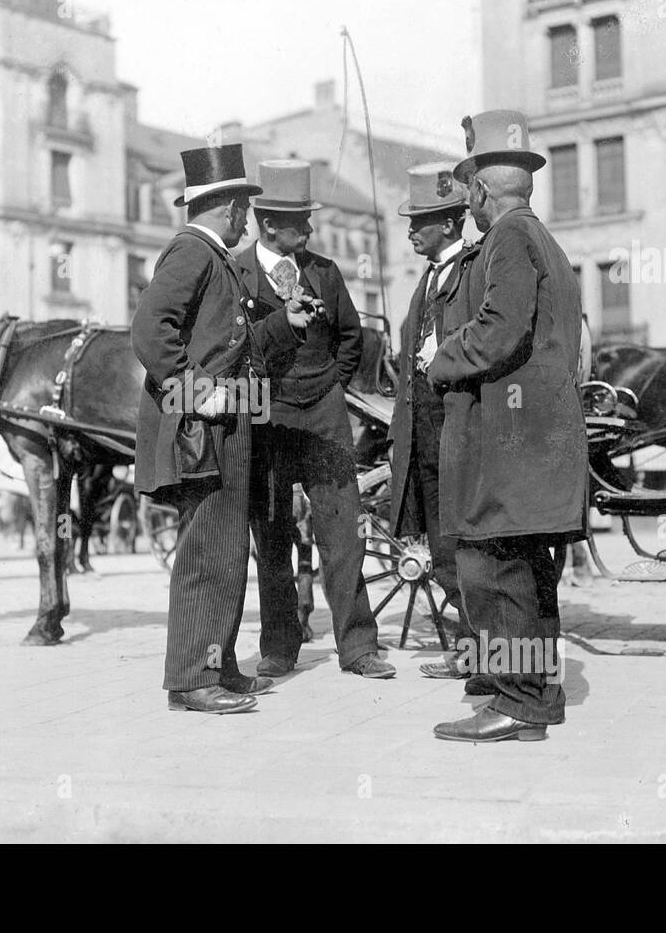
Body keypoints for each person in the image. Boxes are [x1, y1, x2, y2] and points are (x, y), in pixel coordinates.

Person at [132, 144, 315, 714]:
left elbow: (231, 345)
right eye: (242, 207)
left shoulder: (210, 257)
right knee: (207, 552)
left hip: (228, 424)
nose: (245, 219)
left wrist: (281, 327)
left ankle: (219, 664)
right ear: (230, 207)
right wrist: (196, 389)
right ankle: (191, 680)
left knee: (229, 548)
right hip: (202, 429)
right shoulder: (191, 253)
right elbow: (148, 331)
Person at [426, 110, 588, 742]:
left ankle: (514, 703)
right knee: (526, 573)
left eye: (468, 187)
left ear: (482, 191)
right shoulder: (544, 237)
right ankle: (533, 704)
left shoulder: (507, 240)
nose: (466, 201)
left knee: (490, 573)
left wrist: (439, 361)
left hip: (509, 443)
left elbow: (499, 329)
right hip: (538, 440)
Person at [237, 159, 396, 681]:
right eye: (299, 222)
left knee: (343, 534)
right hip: (266, 420)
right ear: (268, 224)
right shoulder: (235, 272)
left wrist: (332, 382)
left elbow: (352, 337)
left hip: (325, 418)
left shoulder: (324, 272)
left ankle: (357, 647)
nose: (309, 230)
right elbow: (231, 348)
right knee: (273, 535)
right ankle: (280, 647)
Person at [383, 164, 483, 685]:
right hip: (423, 431)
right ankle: (472, 649)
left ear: (450, 223)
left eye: (420, 220)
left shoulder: (473, 269)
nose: (410, 229)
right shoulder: (427, 278)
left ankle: (481, 653)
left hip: (458, 430)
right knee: (442, 549)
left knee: (464, 547)